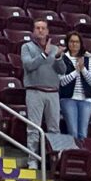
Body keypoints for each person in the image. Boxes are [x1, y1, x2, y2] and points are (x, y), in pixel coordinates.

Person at [21, 17, 61, 163]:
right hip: (34, 91)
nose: (40, 30)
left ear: (47, 31)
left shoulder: (55, 49)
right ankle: (32, 161)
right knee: (34, 128)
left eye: (43, 28)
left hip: (53, 92)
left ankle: (55, 162)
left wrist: (58, 58)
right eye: (37, 28)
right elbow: (29, 65)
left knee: (54, 129)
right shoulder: (26, 47)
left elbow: (62, 70)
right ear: (33, 31)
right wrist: (44, 54)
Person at [55, 30, 91, 140]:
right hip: (68, 99)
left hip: (86, 100)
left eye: (77, 42)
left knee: (83, 133)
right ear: (67, 43)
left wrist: (83, 69)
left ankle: (82, 150)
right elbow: (62, 82)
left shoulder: (87, 58)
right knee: (72, 132)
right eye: (72, 41)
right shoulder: (63, 58)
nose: (74, 44)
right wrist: (76, 72)